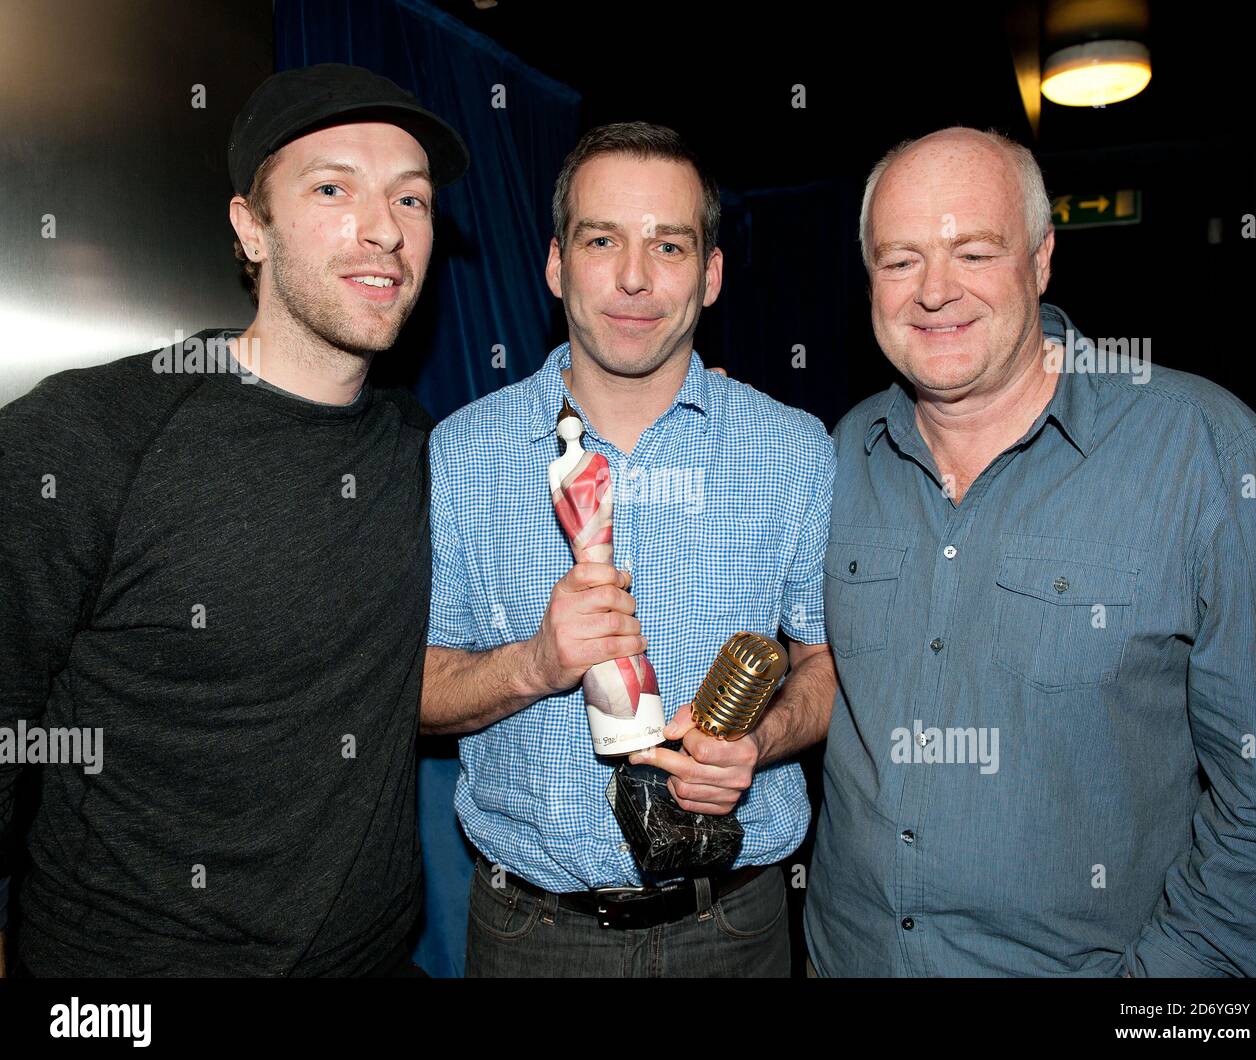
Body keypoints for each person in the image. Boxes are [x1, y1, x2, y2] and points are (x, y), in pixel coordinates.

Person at [0, 63, 468, 976]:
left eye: (411, 199)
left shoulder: (422, 450)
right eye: (332, 189)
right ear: (251, 228)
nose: (384, 228)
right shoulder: (86, 437)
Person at [803, 126, 1256, 977]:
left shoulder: (1205, 454)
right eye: (901, 260)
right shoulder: (841, 455)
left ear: (1040, 260)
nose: (935, 291)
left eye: (974, 252)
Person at [420, 122, 838, 977]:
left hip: (734, 928)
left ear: (711, 275)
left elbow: (825, 662)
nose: (635, 277)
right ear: (555, 264)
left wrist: (759, 743)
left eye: (669, 245)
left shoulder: (795, 452)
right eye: (602, 240)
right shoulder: (462, 453)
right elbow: (413, 688)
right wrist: (535, 663)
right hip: (531, 934)